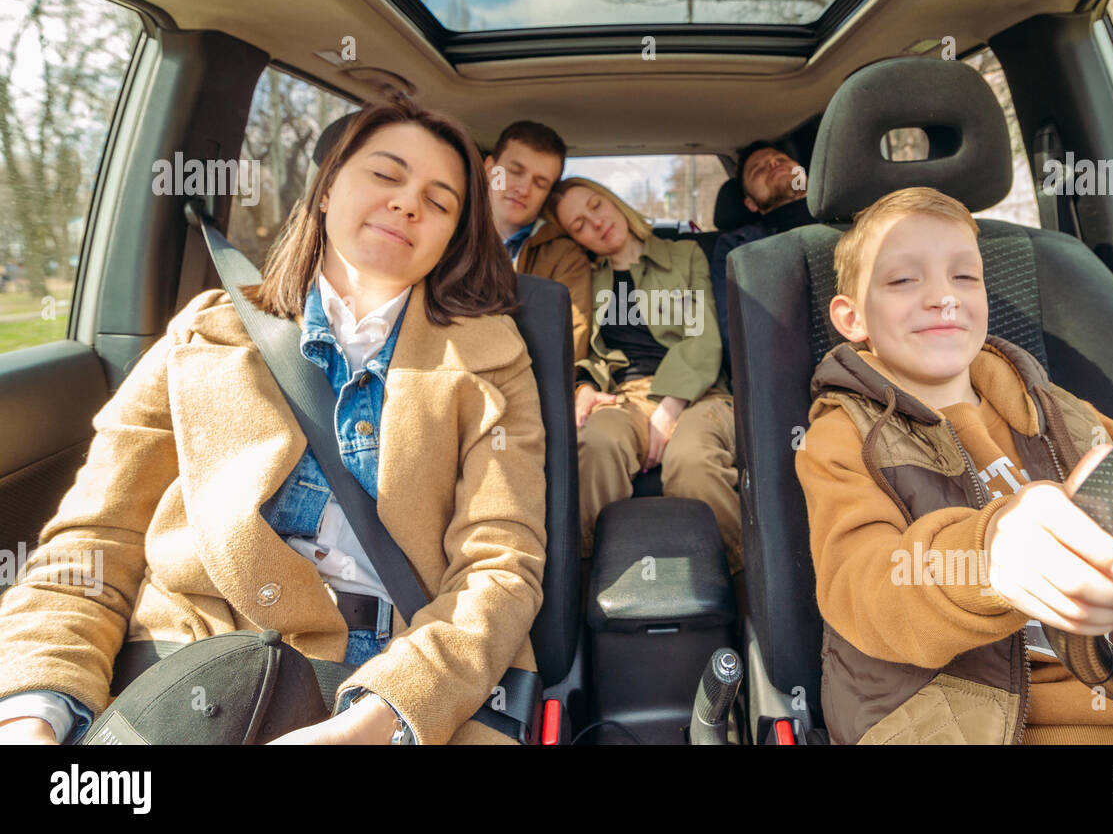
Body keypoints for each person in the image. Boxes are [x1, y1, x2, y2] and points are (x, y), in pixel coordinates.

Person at [0, 100, 547, 745]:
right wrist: (33, 705)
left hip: (403, 675)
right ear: (325, 191)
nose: (408, 204)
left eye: (440, 200)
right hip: (186, 663)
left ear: (454, 235)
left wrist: (381, 718)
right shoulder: (206, 333)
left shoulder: (492, 357)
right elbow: (95, 540)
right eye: (385, 175)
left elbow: (500, 566)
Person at [794, 186, 1113, 745]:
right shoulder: (844, 435)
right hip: (990, 725)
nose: (945, 297)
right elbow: (861, 587)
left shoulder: (1062, 411)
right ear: (851, 318)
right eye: (902, 280)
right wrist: (987, 562)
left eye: (965, 277)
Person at [550, 177, 742, 575]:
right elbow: (582, 346)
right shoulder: (587, 277)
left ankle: (744, 589)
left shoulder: (686, 253)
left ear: (614, 200)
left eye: (596, 206)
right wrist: (583, 387)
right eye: (579, 225)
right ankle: (589, 587)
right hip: (623, 395)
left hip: (700, 392)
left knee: (693, 461)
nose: (596, 223)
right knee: (595, 445)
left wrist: (671, 406)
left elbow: (704, 335)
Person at [484, 120, 593, 362]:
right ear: (490, 169)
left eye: (540, 182)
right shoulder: (444, 235)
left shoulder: (564, 257)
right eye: (515, 171)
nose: (523, 188)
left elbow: (568, 347)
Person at [710, 141, 815, 370]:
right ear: (750, 203)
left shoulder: (850, 218)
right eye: (758, 169)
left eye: (782, 160)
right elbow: (738, 334)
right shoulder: (737, 248)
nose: (773, 163)